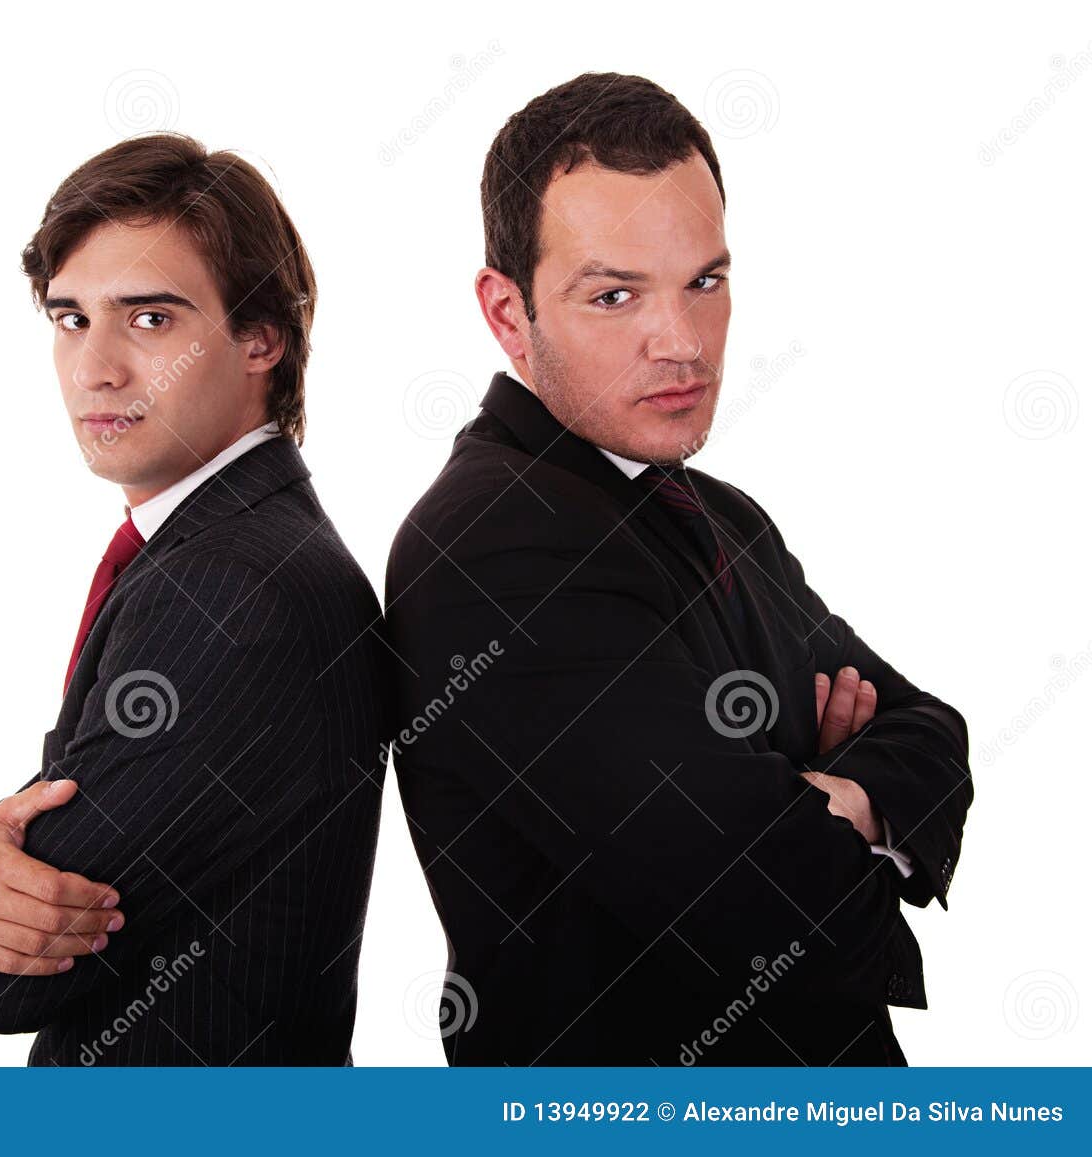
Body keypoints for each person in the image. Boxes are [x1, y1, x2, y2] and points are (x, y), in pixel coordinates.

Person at [386, 73, 972, 1065]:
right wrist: (820, 794)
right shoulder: (493, 543)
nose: (682, 341)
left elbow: (932, 730)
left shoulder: (718, 511)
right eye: (614, 294)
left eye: (703, 280)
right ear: (505, 312)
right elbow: (770, 899)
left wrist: (831, 799)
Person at [0, 134, 388, 1065]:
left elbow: (7, 979)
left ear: (261, 339)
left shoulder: (231, 590)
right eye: (71, 319)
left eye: (150, 320)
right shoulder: (232, 548)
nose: (96, 368)